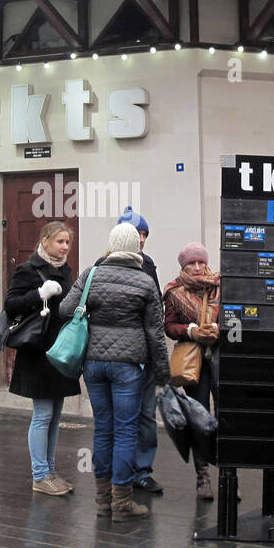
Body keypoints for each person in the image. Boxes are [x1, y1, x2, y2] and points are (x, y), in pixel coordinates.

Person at [61, 222, 170, 519]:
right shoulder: (145, 282)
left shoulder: (92, 274)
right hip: (128, 367)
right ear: (136, 247)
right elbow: (155, 333)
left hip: (93, 364)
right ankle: (122, 501)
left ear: (111, 245)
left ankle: (102, 501)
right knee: (125, 430)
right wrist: (162, 372)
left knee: (103, 428)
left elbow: (64, 309)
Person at [5, 221, 80, 496]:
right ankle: (39, 474)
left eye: (67, 243)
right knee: (43, 414)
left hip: (59, 352)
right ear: (46, 241)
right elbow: (11, 305)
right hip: (38, 352)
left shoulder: (66, 271)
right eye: (60, 242)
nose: (65, 248)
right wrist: (39, 294)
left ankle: (49, 470)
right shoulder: (29, 270)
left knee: (56, 414)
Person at [112, 207, 164, 496]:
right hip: (119, 358)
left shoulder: (149, 265)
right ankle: (119, 472)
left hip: (144, 355)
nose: (141, 239)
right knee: (121, 417)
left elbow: (156, 309)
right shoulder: (103, 265)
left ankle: (142, 471)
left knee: (145, 415)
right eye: (137, 233)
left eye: (144, 234)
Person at [162, 242, 220, 500]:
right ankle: (203, 477)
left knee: (226, 415)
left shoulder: (220, 286)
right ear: (183, 266)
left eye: (200, 262)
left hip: (220, 358)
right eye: (191, 264)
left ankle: (230, 475)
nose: (197, 268)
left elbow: (238, 317)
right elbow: (169, 326)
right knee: (199, 416)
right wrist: (190, 330)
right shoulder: (174, 291)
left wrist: (220, 331)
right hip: (193, 360)